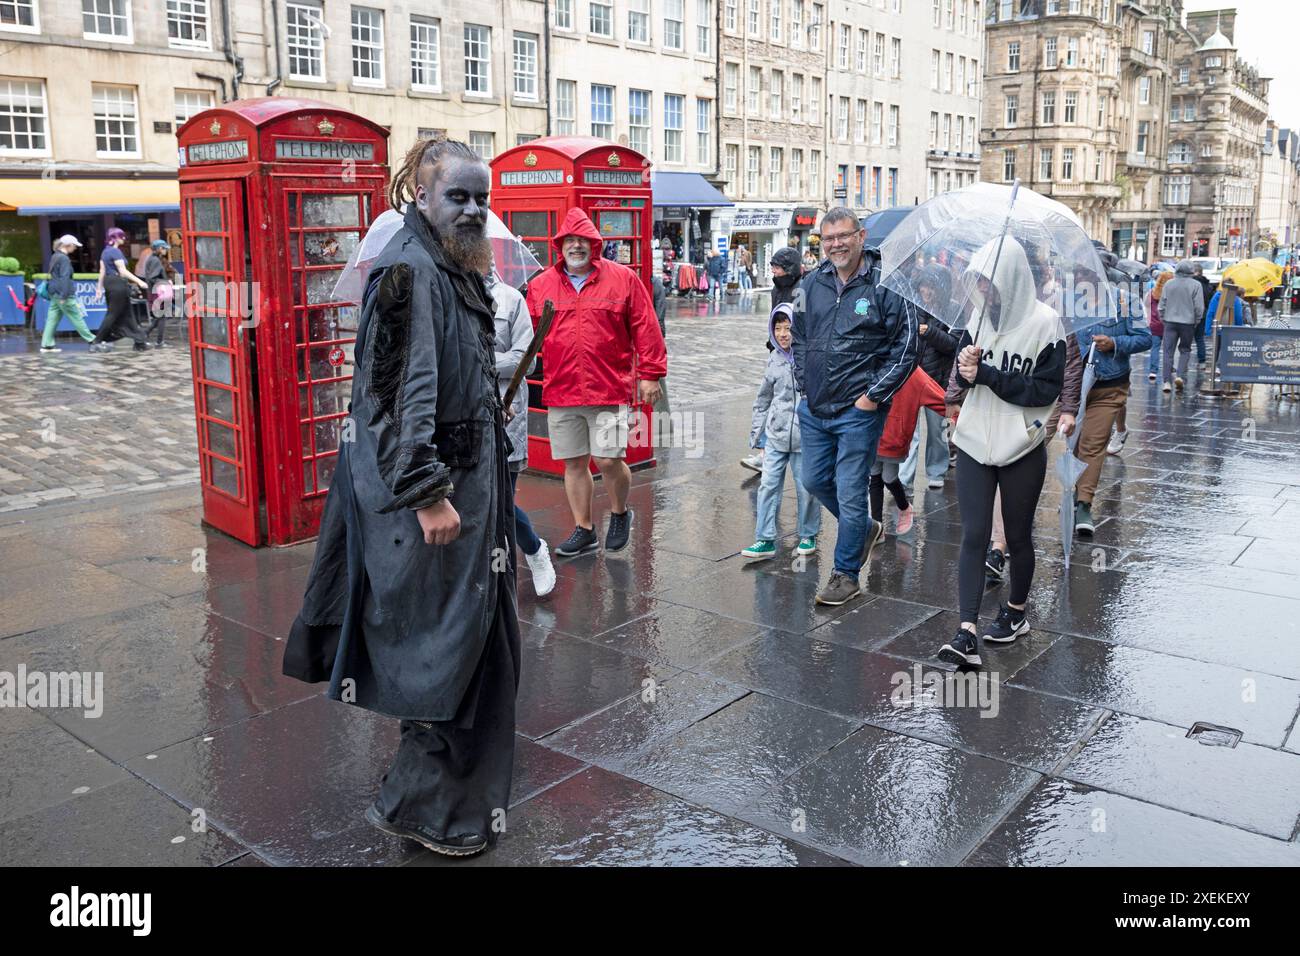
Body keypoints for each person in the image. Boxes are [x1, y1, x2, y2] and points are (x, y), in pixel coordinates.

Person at [284, 138, 520, 857]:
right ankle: (426, 812)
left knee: (472, 649)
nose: (475, 209)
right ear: (421, 196)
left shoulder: (453, 267)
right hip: (436, 502)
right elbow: (389, 399)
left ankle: (434, 805)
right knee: (446, 657)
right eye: (460, 196)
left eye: (483, 198)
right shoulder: (409, 274)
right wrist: (426, 492)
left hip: (474, 493)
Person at [938, 237, 1065, 668]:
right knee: (974, 534)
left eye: (989, 281)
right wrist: (966, 366)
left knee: (1016, 534)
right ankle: (967, 629)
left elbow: (1045, 389)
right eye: (978, 281)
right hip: (975, 440)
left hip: (1021, 445)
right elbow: (963, 374)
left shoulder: (1046, 323)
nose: (983, 290)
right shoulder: (978, 318)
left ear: (1010, 278)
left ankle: (1014, 611)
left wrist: (988, 374)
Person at [792, 206, 918, 607]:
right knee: (813, 480)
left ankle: (845, 574)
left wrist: (872, 396)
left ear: (861, 236)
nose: (835, 245)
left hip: (858, 410)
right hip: (815, 406)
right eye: (827, 239)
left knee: (850, 491)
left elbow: (908, 346)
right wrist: (803, 384)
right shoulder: (811, 283)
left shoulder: (889, 284)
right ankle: (863, 528)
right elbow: (797, 335)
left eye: (842, 236)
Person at [525, 208, 667, 557]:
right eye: (569, 241)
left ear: (595, 244)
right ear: (560, 246)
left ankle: (620, 513)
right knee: (573, 463)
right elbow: (526, 334)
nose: (576, 246)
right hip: (561, 388)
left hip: (608, 386)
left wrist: (650, 373)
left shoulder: (621, 279)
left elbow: (646, 326)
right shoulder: (541, 284)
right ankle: (584, 529)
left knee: (607, 460)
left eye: (582, 240)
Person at [488, 268, 556, 598]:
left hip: (506, 410)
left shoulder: (510, 299)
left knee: (501, 502)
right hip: (461, 416)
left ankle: (533, 549)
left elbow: (525, 361)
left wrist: (479, 361)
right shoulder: (446, 298)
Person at [1070, 274, 1153, 536]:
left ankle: (1084, 504)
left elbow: (1145, 338)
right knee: (1074, 441)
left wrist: (1115, 343)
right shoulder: (1069, 302)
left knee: (1093, 444)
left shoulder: (1128, 303)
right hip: (1073, 387)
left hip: (1109, 386)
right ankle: (1073, 494)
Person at [741, 304, 821, 560]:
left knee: (805, 488)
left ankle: (808, 534)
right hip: (775, 436)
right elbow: (763, 399)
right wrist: (757, 435)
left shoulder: (809, 357)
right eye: (778, 328)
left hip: (804, 437)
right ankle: (765, 539)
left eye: (788, 327)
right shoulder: (773, 359)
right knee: (767, 486)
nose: (783, 333)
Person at [900, 264, 958, 491]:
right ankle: (905, 477)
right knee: (909, 430)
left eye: (932, 286)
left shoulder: (952, 311)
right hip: (912, 376)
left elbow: (954, 344)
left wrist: (931, 332)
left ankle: (937, 470)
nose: (927, 291)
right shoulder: (911, 306)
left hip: (938, 379)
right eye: (924, 285)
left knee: (938, 431)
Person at [871, 366, 946, 535]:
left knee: (888, 478)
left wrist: (959, 414)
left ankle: (904, 506)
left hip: (893, 437)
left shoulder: (911, 371)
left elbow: (938, 397)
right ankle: (877, 529)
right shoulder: (871, 357)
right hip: (872, 431)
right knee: (874, 478)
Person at [90, 227, 151, 353]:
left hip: (110, 283)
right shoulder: (115, 252)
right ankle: (96, 342)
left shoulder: (105, 252)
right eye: (121, 236)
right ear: (114, 238)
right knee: (114, 314)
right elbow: (122, 272)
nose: (124, 238)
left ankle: (140, 341)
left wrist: (99, 288)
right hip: (117, 283)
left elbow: (102, 271)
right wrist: (139, 281)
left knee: (126, 313)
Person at [39, 236, 96, 354]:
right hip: (63, 293)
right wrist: (64, 296)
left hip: (53, 292)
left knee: (52, 318)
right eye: (74, 245)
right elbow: (64, 278)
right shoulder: (64, 259)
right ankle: (92, 340)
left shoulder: (55, 256)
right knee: (76, 317)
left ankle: (47, 344)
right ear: (67, 245)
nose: (75, 248)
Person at [1157, 261, 1204, 393]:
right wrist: (1197, 320)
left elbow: (1162, 303)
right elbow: (1199, 306)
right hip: (1188, 322)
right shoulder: (1196, 285)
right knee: (1185, 350)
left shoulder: (1169, 284)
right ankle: (1179, 375)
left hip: (1170, 321)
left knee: (1167, 351)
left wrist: (1162, 317)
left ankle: (1166, 381)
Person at [140, 239, 176, 347]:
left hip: (155, 292)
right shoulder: (155, 260)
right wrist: (167, 281)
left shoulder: (153, 259)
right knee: (162, 316)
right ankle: (159, 342)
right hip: (158, 292)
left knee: (159, 317)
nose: (166, 250)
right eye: (164, 248)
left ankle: (143, 335)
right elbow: (152, 278)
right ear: (160, 249)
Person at [1143, 270, 1171, 382]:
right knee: (1169, 349)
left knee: (1155, 348)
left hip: (1154, 324)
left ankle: (1153, 372)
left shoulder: (1151, 292)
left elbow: (1145, 304)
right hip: (1168, 324)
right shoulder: (1170, 294)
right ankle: (1169, 368)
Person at [769, 245, 803, 314]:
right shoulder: (777, 287)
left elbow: (800, 320)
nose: (773, 270)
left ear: (789, 270)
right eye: (772, 267)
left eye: (777, 268)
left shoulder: (800, 289)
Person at [1191, 263, 1213, 365]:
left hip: (1190, 314)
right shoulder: (1208, 285)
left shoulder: (1191, 284)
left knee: (1186, 339)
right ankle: (1202, 361)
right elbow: (1209, 301)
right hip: (1203, 314)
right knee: (1199, 338)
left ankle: (1184, 361)